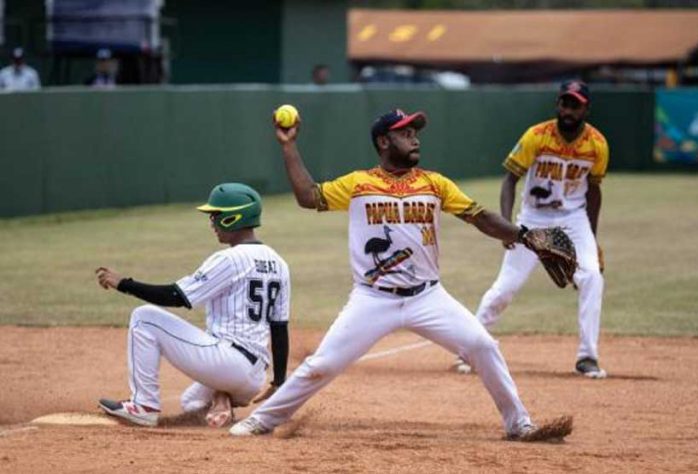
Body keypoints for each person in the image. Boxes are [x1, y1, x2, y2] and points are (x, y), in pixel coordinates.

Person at [229, 109, 572, 441]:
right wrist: (288, 146)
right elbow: (308, 196)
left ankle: (519, 424)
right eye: (405, 133)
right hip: (373, 298)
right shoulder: (359, 183)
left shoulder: (435, 184)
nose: (414, 138)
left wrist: (524, 236)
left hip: (428, 297)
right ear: (383, 142)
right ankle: (262, 420)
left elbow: (480, 217)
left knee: (482, 345)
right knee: (322, 365)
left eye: (415, 132)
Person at [96, 183, 291, 427]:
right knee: (192, 403)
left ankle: (143, 406)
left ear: (234, 218)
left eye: (216, 215)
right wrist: (279, 381)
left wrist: (124, 283)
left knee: (143, 317)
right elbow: (279, 326)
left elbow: (176, 297)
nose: (212, 222)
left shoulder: (230, 259)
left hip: (227, 363)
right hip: (253, 378)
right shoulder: (278, 263)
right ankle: (222, 398)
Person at [458, 80, 609, 379]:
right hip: (533, 219)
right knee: (505, 289)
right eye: (564, 103)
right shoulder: (537, 136)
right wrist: (506, 227)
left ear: (586, 108)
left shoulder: (597, 144)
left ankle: (587, 356)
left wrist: (591, 238)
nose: (568, 109)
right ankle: (468, 349)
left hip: (573, 219)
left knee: (591, 276)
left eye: (575, 104)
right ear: (558, 104)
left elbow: (593, 191)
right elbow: (509, 180)